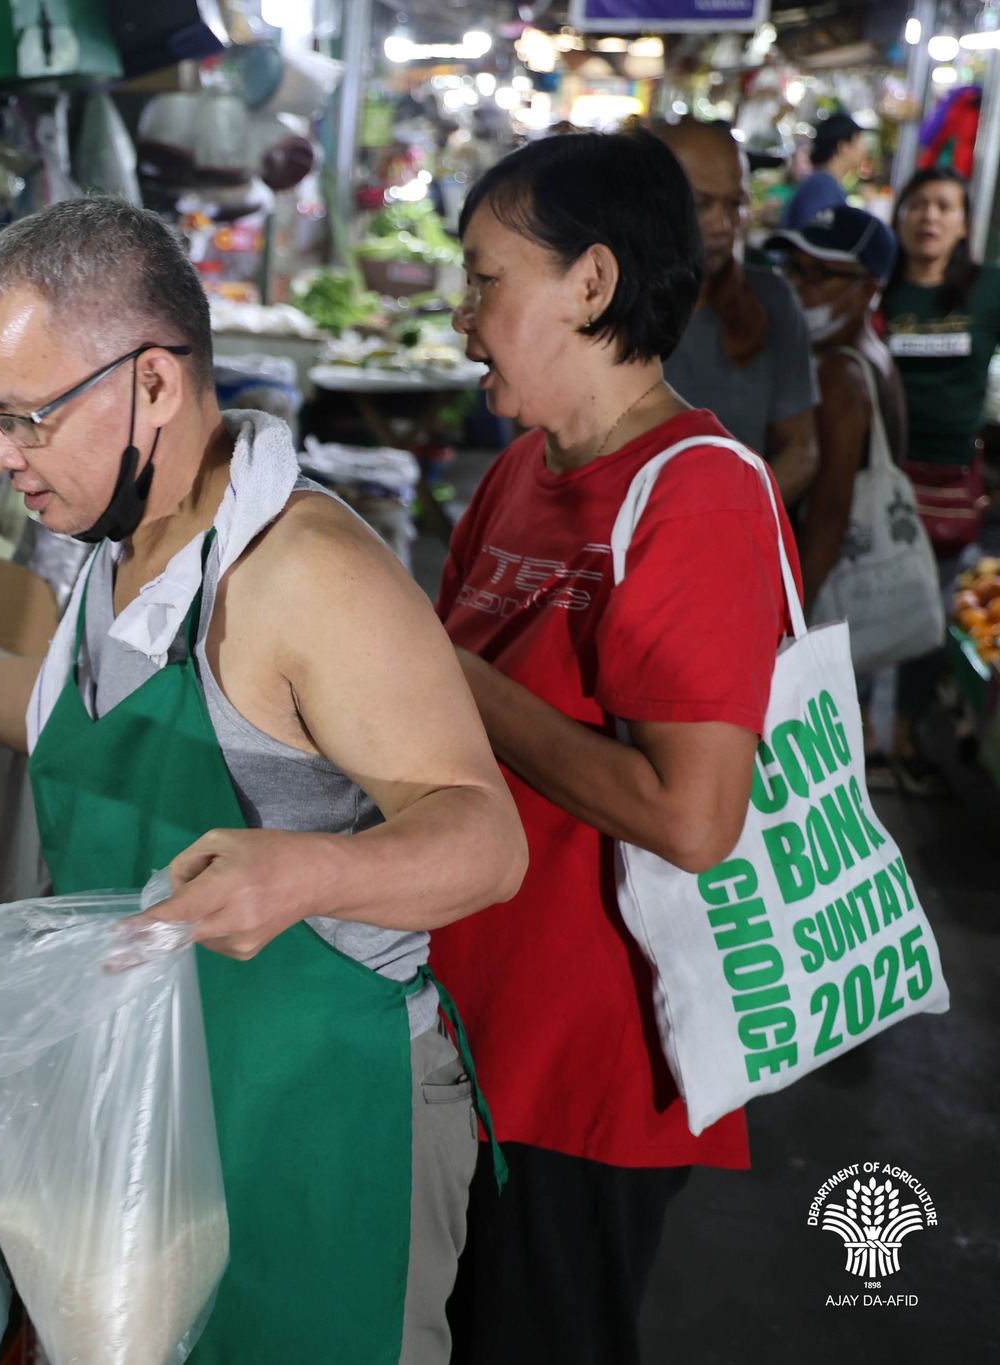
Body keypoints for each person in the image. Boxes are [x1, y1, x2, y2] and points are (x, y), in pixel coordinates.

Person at [0, 196, 528, 1364]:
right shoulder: (121, 539)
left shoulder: (302, 573)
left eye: (25, 418)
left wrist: (300, 874)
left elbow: (484, 839)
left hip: (314, 1121)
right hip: (150, 1112)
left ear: (151, 384)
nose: (0, 456)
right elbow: (76, 720)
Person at [431, 131, 802, 1363]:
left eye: (485, 279)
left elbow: (692, 818)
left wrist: (467, 687)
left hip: (586, 1065)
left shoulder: (698, 493)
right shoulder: (521, 473)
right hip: (475, 1028)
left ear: (589, 284)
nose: (463, 314)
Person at [767, 205, 906, 776]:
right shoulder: (869, 353)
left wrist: (787, 630)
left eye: (820, 273)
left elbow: (828, 517)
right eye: (794, 268)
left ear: (869, 288)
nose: (799, 285)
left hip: (821, 603)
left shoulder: (839, 375)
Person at [880, 167, 1000, 797]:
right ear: (900, 216)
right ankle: (858, 735)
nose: (930, 217)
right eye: (919, 204)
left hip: (950, 487)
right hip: (876, 481)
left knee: (929, 617)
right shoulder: (877, 290)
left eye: (945, 207)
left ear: (963, 224)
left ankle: (906, 732)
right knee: (861, 606)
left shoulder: (986, 290)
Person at [656, 119, 821, 501]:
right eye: (700, 205)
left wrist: (729, 517)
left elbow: (802, 449)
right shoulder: (601, 301)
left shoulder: (771, 301)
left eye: (734, 204)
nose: (722, 225)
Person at [780, 113, 865, 229]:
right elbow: (817, 235)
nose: (864, 148)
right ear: (843, 147)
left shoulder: (823, 183)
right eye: (859, 140)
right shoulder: (821, 186)